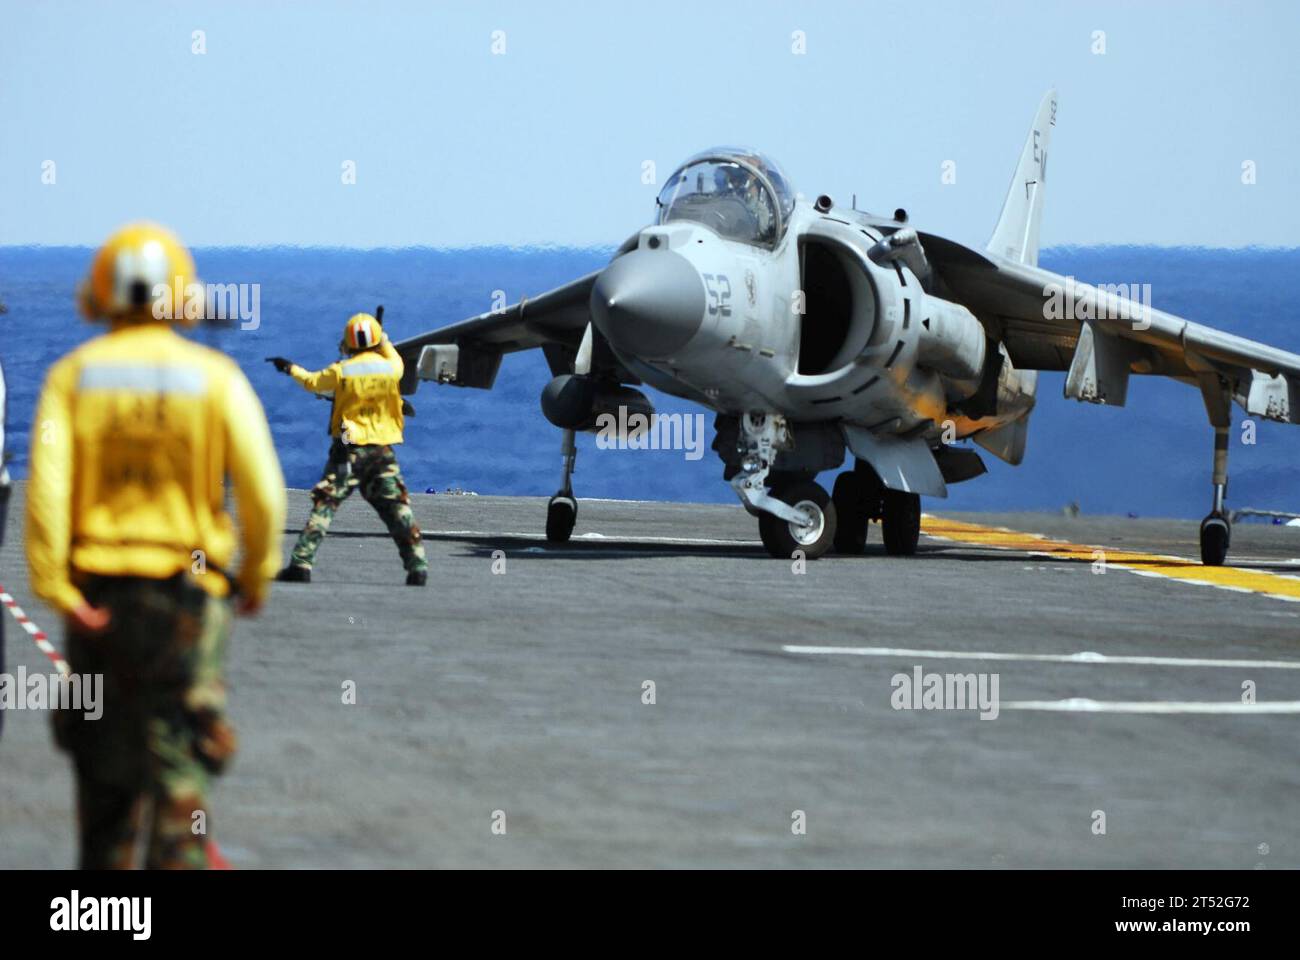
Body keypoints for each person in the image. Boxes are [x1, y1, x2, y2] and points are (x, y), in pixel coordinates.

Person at [25, 222, 286, 869]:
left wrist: (56, 590)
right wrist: (256, 577)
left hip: (100, 604)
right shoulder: (214, 377)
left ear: (99, 294)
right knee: (179, 777)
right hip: (187, 605)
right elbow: (263, 494)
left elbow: (46, 495)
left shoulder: (72, 378)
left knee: (105, 784)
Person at [267, 312, 428, 585]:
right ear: (376, 340)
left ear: (348, 342)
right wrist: (383, 338)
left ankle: (301, 564)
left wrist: (289, 367)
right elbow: (390, 353)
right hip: (381, 451)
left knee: (325, 504)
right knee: (397, 508)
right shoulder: (392, 367)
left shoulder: (342, 370)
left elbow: (311, 382)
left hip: (348, 449)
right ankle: (417, 566)